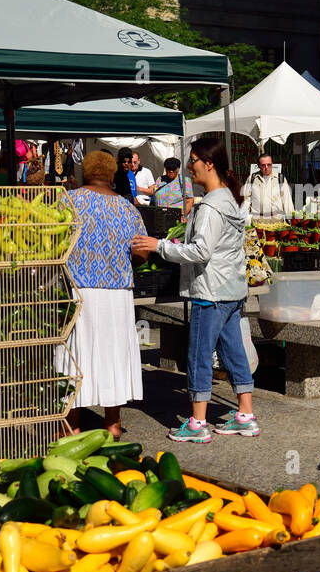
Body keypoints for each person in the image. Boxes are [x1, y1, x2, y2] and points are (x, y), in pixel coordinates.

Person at [131, 137, 257, 442]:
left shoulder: (212, 206)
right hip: (231, 290)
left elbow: (201, 251)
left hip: (210, 292)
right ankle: (245, 415)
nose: (189, 167)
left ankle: (198, 423)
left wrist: (158, 246)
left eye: (193, 161)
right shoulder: (229, 199)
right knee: (233, 351)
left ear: (208, 164)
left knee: (199, 353)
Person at [56, 150, 149, 438]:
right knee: (113, 355)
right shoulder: (127, 207)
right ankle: (113, 424)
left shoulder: (67, 201)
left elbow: (51, 241)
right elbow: (143, 251)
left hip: (77, 289)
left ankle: (72, 425)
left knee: (75, 354)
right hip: (117, 293)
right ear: (111, 176)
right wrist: (121, 261)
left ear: (85, 172)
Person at [241, 154, 294, 219]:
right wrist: (244, 219)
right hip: (257, 221)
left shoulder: (280, 178)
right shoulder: (252, 178)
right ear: (258, 166)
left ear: (272, 164)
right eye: (263, 165)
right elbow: (246, 200)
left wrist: (291, 219)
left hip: (277, 221)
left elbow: (287, 201)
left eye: (269, 164)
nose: (266, 167)